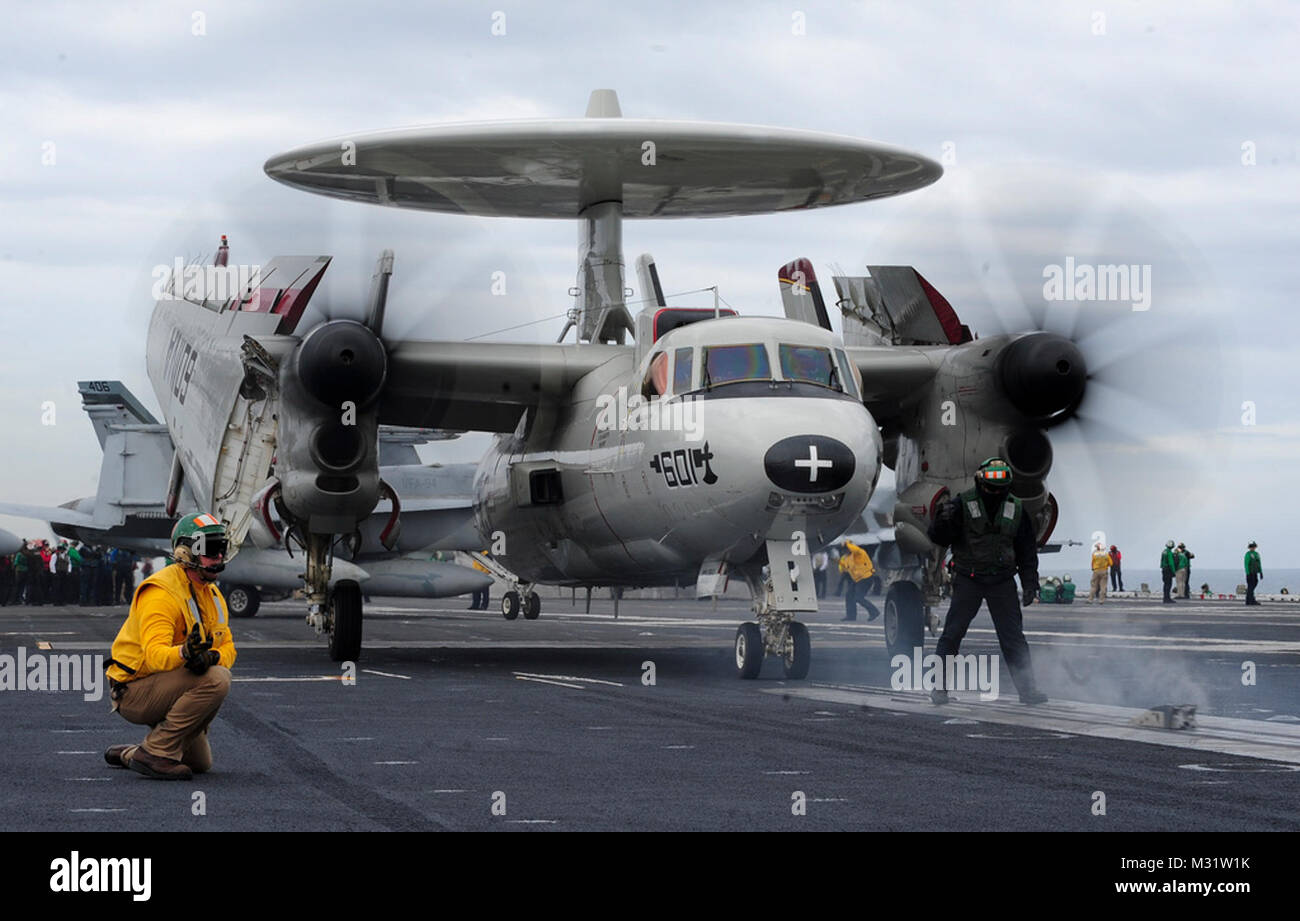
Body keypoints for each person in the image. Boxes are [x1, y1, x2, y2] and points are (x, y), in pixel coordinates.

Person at [103, 513, 236, 780]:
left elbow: (230, 646)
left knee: (200, 763)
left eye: (221, 549)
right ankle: (156, 753)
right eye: (210, 549)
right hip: (134, 689)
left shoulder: (212, 594)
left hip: (167, 685)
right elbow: (153, 657)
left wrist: (211, 656)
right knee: (218, 679)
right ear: (185, 552)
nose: (218, 557)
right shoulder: (161, 592)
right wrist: (185, 653)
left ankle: (134, 754)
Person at [927, 457, 1047, 704]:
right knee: (952, 634)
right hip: (969, 579)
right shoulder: (960, 505)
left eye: (1000, 488)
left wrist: (1030, 584)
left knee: (1013, 639)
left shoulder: (1016, 510)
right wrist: (942, 520)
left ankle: (1028, 691)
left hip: (1002, 580)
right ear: (980, 481)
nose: (995, 492)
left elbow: (1026, 551)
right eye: (991, 487)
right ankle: (939, 689)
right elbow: (939, 537)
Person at [837, 540, 880, 622]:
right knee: (849, 595)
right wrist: (838, 561)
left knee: (858, 598)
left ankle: (874, 612)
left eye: (845, 549)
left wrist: (847, 543)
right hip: (858, 580)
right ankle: (851, 616)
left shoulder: (859, 553)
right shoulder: (848, 558)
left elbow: (855, 549)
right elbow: (845, 568)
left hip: (866, 577)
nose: (844, 551)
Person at [1244, 541, 1263, 606]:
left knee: (1253, 585)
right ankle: (1250, 600)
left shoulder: (1256, 554)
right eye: (1251, 546)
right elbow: (1246, 564)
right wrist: (1248, 573)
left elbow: (1259, 564)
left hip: (1255, 573)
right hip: (1250, 573)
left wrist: (1261, 572)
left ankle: (1250, 600)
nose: (1252, 548)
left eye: (1253, 546)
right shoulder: (1248, 554)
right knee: (1250, 587)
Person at [1160, 540, 1177, 604]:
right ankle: (1167, 598)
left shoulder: (1164, 551)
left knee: (1165, 584)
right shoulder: (1169, 552)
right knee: (1168, 584)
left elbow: (1161, 560)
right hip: (1168, 569)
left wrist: (1162, 566)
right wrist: (1173, 571)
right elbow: (1171, 563)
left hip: (1164, 569)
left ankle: (1165, 597)